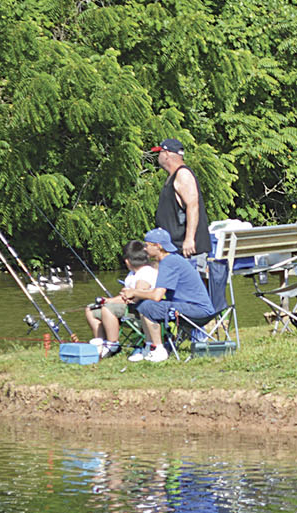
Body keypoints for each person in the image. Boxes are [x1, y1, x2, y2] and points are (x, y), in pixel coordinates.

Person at [122, 228, 216, 363]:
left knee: (147, 306)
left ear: (158, 246)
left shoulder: (169, 262)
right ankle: (149, 347)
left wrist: (134, 292)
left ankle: (158, 349)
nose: (144, 249)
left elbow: (157, 296)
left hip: (198, 310)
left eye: (147, 245)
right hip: (190, 306)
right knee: (144, 304)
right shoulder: (171, 260)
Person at [86, 239, 157, 358]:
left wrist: (111, 303)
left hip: (139, 312)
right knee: (90, 309)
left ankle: (113, 344)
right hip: (128, 307)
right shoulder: (132, 274)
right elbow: (125, 296)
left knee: (107, 309)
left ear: (127, 261)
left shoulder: (146, 272)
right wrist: (108, 300)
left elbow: (135, 296)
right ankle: (100, 342)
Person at [150, 138, 213, 271]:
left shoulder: (183, 174)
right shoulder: (172, 176)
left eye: (159, 153)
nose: (158, 157)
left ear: (166, 154)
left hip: (187, 251)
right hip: (175, 250)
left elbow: (193, 205)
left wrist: (189, 239)